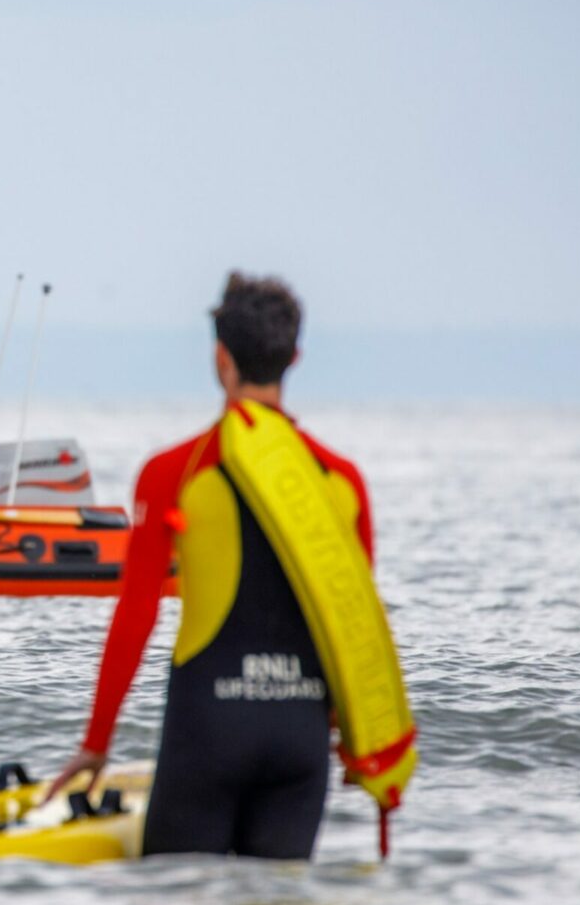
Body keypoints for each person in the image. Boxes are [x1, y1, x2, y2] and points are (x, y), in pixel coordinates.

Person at [44, 273, 378, 860]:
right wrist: (359, 745)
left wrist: (97, 743)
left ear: (220, 357)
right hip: (300, 741)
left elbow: (137, 610)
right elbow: (354, 626)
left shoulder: (175, 470)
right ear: (294, 358)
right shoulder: (341, 480)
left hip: (209, 730)